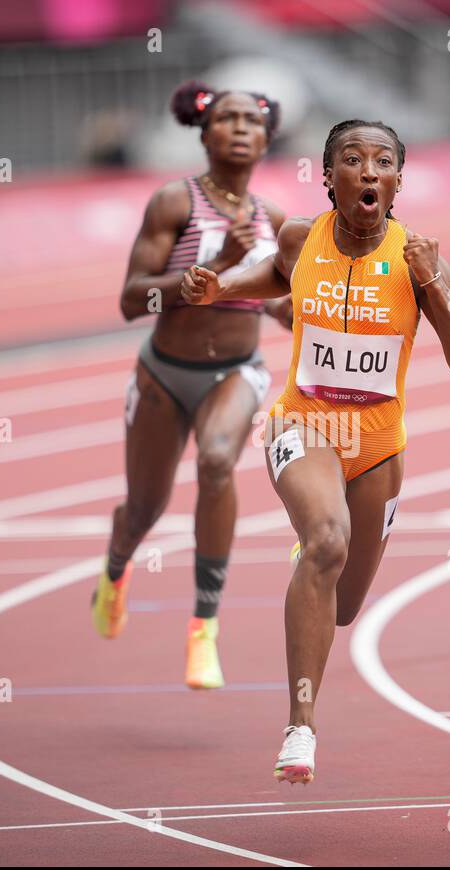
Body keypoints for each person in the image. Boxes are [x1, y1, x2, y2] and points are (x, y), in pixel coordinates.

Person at [182, 119, 450, 782]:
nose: (369, 170)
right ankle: (301, 728)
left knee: (344, 606)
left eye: (383, 161)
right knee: (327, 541)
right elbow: (274, 272)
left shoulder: (419, 258)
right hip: (305, 426)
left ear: (398, 181)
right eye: (353, 159)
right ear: (328, 177)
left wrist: (432, 284)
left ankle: (319, 551)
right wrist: (224, 289)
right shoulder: (303, 236)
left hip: (377, 447)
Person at [91, 81, 290, 690]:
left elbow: (281, 303)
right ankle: (117, 566)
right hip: (163, 375)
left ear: (265, 139)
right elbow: (131, 300)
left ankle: (204, 627)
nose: (238, 128)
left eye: (250, 121)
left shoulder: (276, 222)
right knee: (144, 508)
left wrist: (305, 310)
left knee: (217, 460)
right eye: (225, 118)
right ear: (203, 134)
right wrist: (206, 275)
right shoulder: (174, 204)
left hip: (235, 371)